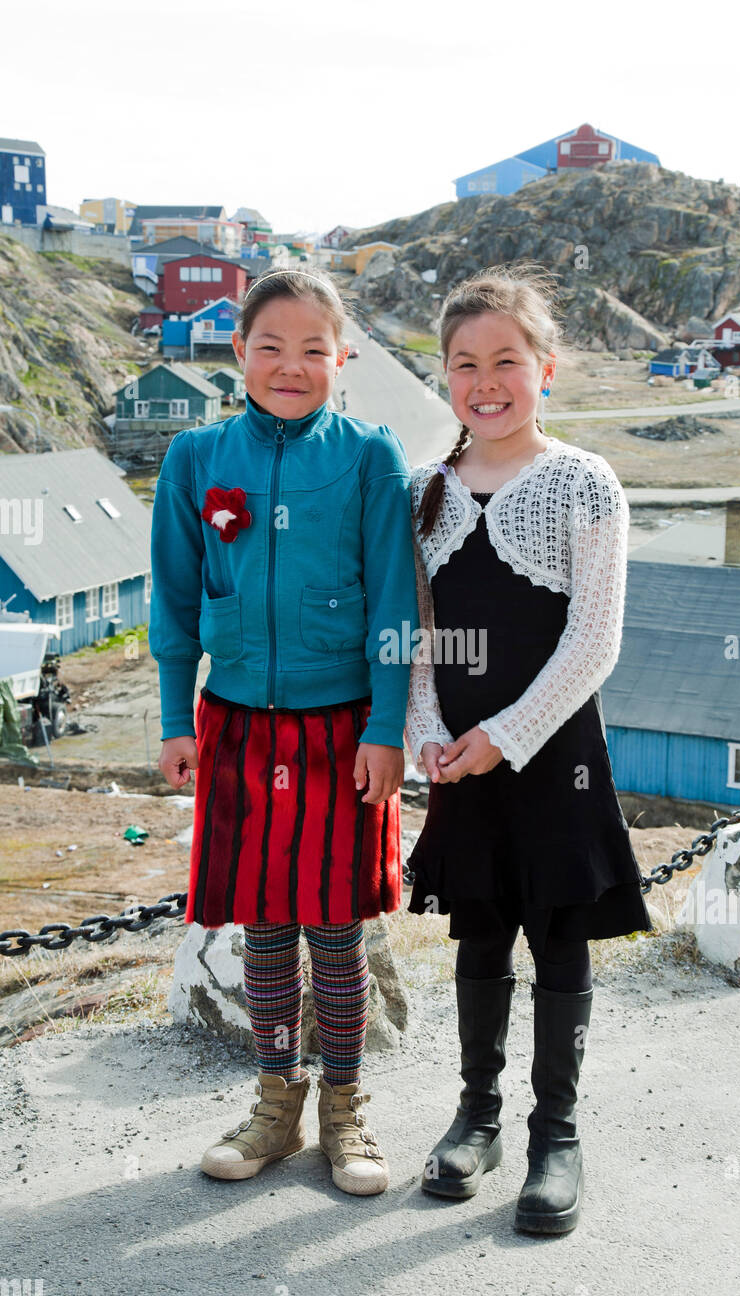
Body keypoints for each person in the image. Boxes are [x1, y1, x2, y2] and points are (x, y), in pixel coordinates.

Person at [149, 268, 418, 1196]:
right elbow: (177, 599)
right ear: (239, 353)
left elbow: (396, 603)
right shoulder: (194, 460)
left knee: (336, 931)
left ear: (342, 359)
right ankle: (275, 1104)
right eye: (271, 345)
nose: (292, 364)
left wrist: (387, 729)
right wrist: (172, 717)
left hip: (342, 732)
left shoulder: (371, 457)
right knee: (265, 930)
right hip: (235, 730)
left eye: (314, 348)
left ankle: (345, 1110)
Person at [404, 265, 653, 1235]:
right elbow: (420, 633)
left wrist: (502, 738)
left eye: (506, 359)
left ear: (543, 369)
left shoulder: (582, 482)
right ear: (445, 376)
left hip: (552, 758)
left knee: (555, 939)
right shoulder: (424, 492)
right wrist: (428, 733)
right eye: (464, 363)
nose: (485, 381)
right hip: (457, 760)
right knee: (478, 936)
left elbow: (594, 640)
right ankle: (477, 1117)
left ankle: (557, 1133)